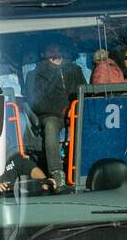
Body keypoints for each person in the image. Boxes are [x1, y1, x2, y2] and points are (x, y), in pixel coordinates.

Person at [29, 37, 85, 185]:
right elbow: (37, 103)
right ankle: (56, 172)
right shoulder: (35, 74)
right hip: (52, 115)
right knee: (51, 126)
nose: (55, 52)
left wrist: (76, 108)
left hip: (76, 111)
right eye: (51, 49)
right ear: (44, 53)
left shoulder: (74, 69)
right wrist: (63, 111)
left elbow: (85, 92)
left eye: (58, 48)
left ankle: (86, 165)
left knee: (89, 123)